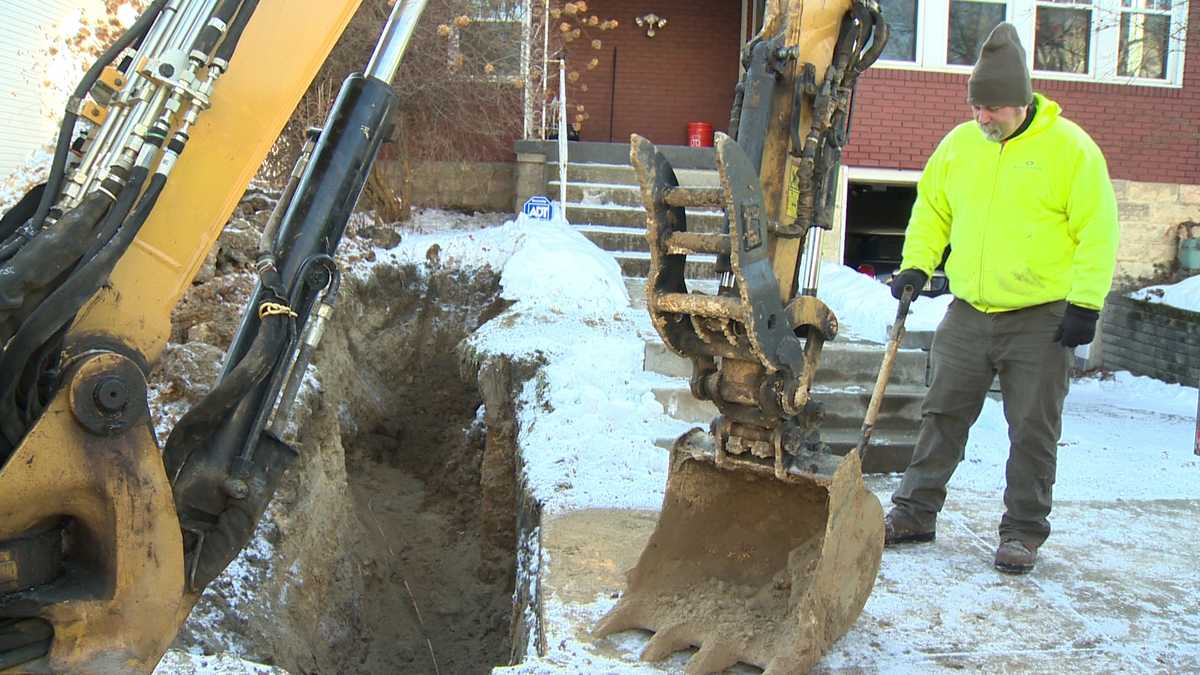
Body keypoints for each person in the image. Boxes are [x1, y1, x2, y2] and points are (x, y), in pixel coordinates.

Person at [884, 22, 1119, 574]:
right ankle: (915, 512)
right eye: (977, 108)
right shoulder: (960, 146)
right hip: (968, 310)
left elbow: (1098, 230)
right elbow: (933, 210)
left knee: (1033, 428)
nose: (982, 118)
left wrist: (1085, 304)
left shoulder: (1071, 150)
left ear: (1021, 101)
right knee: (941, 413)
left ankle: (1022, 532)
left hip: (1041, 318)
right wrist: (917, 263)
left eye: (992, 109)